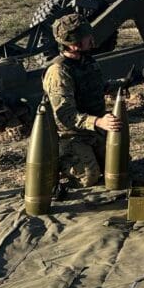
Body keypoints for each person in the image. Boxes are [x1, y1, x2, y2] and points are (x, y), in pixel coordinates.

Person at [41, 13, 121, 187]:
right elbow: (66, 115)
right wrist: (98, 121)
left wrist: (121, 84)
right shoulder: (59, 72)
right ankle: (63, 161)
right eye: (87, 37)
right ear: (74, 44)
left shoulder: (87, 61)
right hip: (71, 136)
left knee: (119, 165)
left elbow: (96, 87)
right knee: (90, 177)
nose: (92, 39)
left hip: (94, 131)